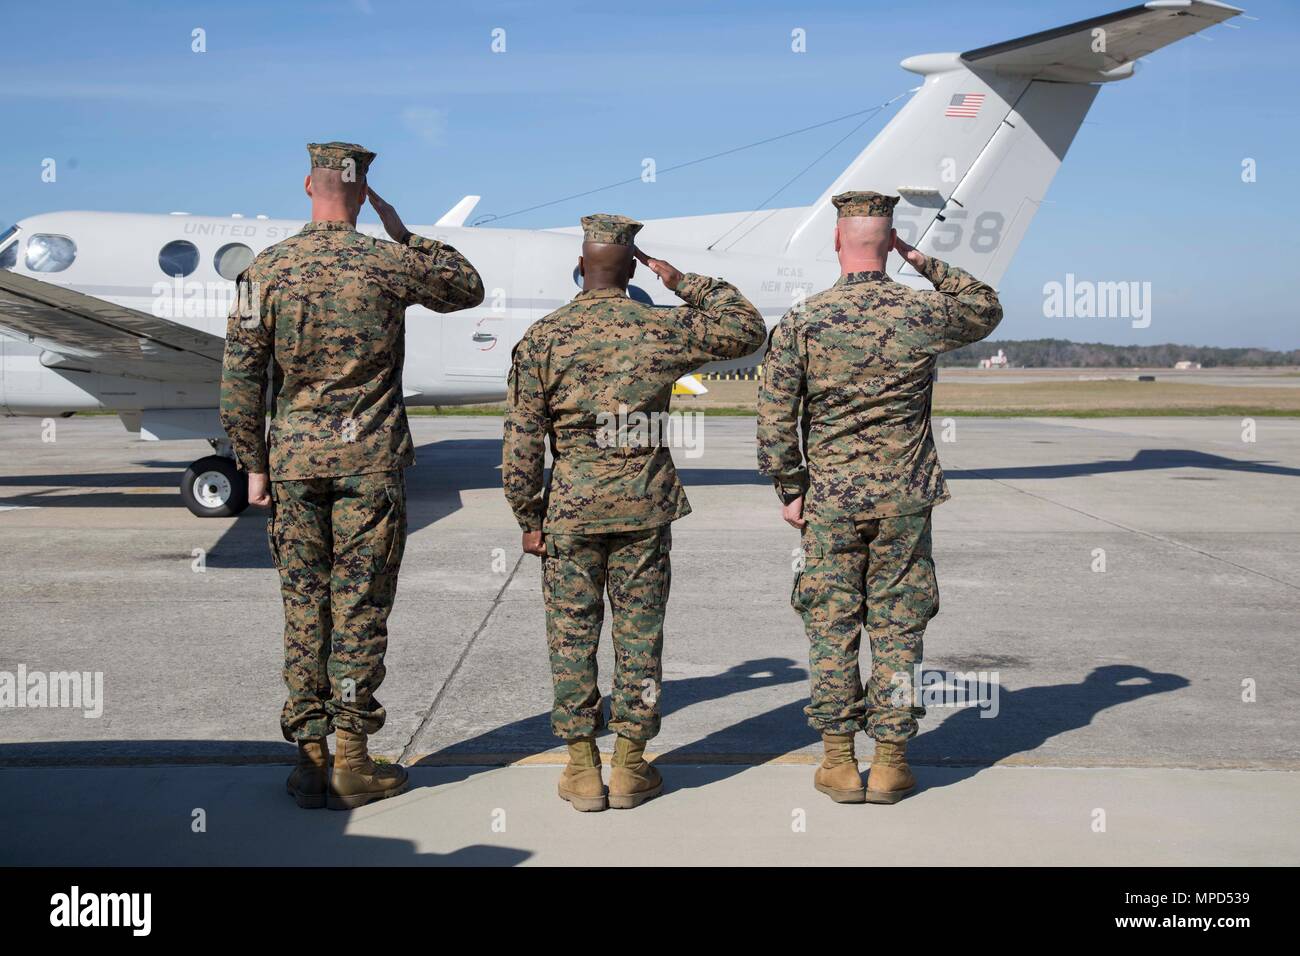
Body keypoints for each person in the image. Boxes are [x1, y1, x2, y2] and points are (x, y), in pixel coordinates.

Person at [220, 141, 484, 810]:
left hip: (295, 465)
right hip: (368, 459)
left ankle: (309, 760)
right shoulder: (388, 262)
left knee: (305, 606)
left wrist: (253, 463)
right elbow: (464, 285)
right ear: (363, 193)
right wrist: (403, 230)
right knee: (360, 606)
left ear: (308, 184)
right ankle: (353, 759)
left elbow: (242, 376)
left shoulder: (265, 271)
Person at [503, 213, 765, 811]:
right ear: (632, 269)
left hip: (570, 513)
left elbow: (520, 441)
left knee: (571, 637)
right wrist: (680, 280)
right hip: (644, 509)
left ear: (579, 268)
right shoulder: (659, 327)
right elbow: (745, 328)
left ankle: (580, 769)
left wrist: (528, 516)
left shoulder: (544, 337)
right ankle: (629, 766)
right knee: (639, 637)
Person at [757, 190, 1002, 804]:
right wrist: (919, 259)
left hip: (829, 500)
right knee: (898, 627)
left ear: (836, 242)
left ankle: (839, 762)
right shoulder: (920, 313)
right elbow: (984, 305)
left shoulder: (803, 320)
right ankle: (891, 762)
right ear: (889, 243)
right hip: (903, 499)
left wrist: (791, 489)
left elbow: (774, 417)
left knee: (831, 623)